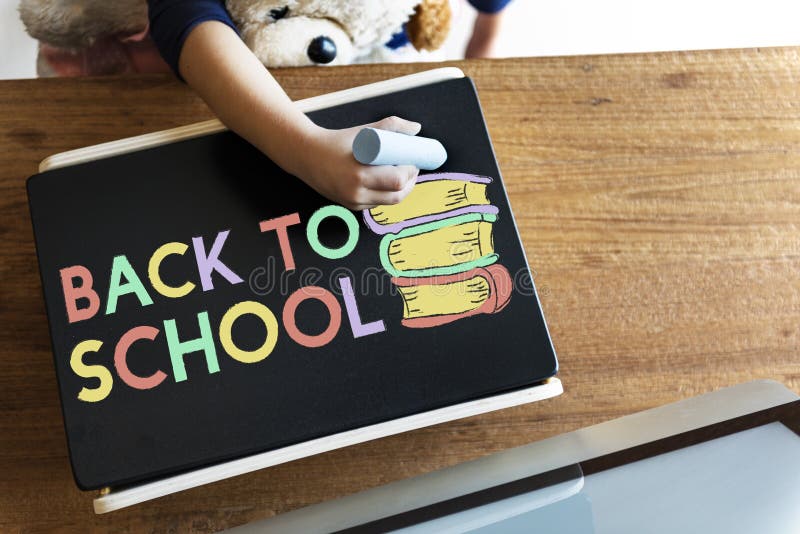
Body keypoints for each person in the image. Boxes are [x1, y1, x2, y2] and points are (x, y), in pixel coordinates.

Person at [147, 0, 512, 210]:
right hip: (246, 80)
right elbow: (184, 17)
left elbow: (489, 22)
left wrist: (482, 63)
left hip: (382, 59)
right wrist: (304, 147)